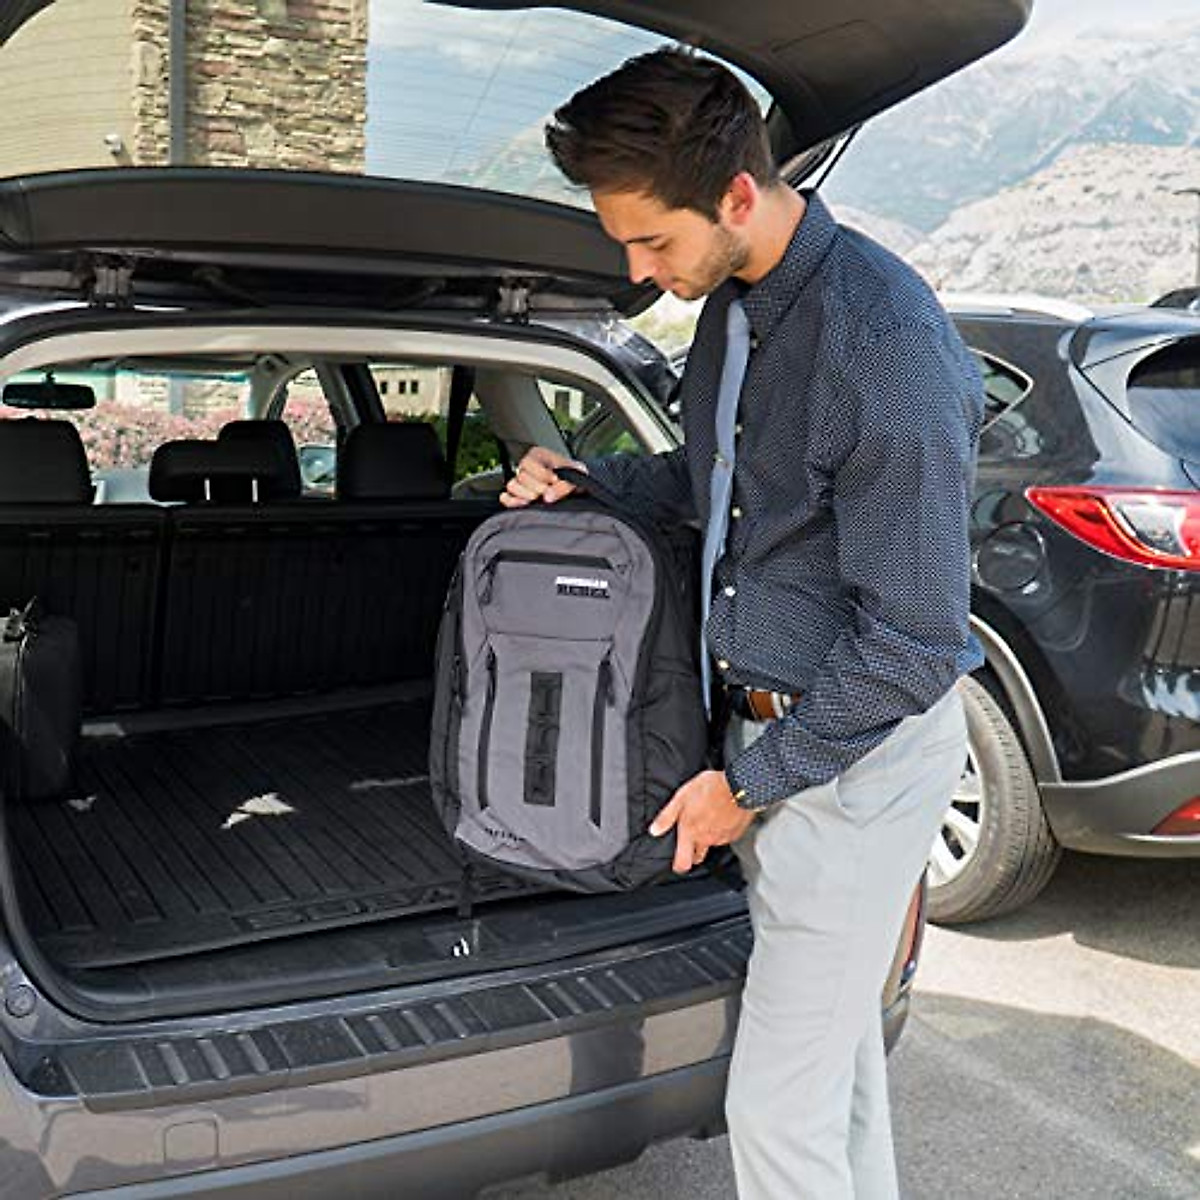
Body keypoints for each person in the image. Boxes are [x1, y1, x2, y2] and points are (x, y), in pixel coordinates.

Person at [501, 47, 983, 1200]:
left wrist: (752, 784)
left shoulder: (884, 348)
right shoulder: (729, 312)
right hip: (771, 744)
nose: (636, 268)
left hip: (851, 766)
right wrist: (587, 482)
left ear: (734, 196)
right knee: (834, 1072)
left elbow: (915, 642)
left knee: (775, 1109)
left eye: (651, 241)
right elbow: (713, 481)